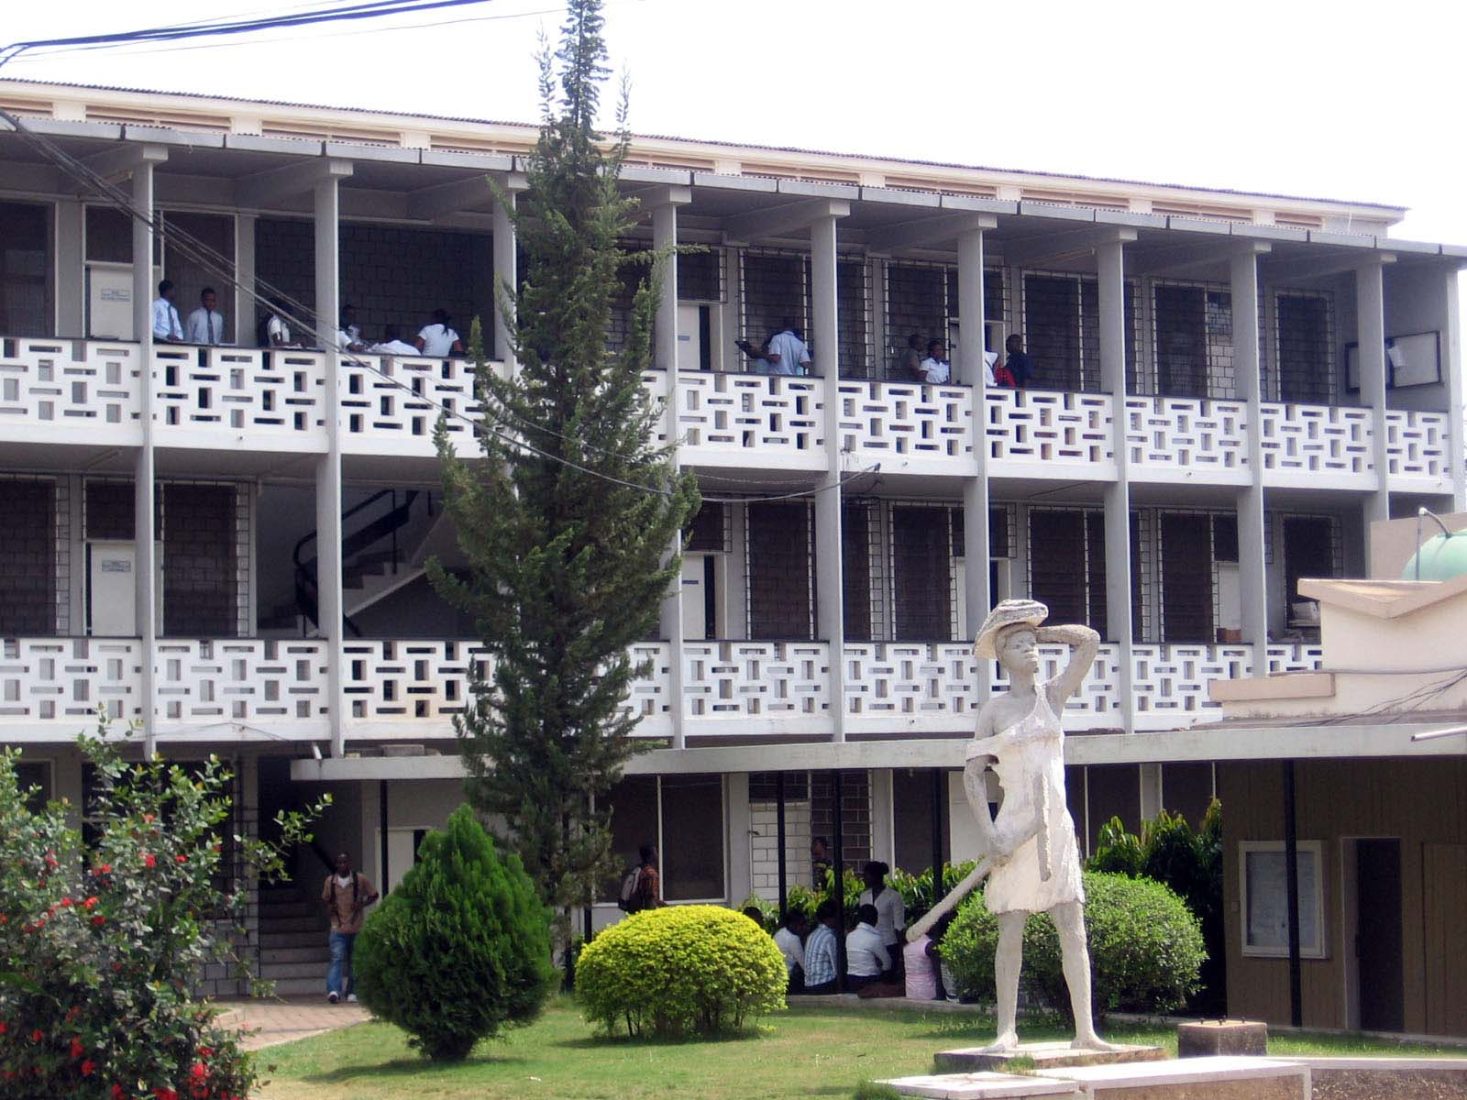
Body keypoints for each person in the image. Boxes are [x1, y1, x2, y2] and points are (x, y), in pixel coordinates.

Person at [966, 598, 1114, 1052]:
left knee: (1072, 925)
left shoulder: (1052, 695)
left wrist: (1034, 629)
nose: (1031, 651)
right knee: (1011, 928)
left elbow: (1088, 642)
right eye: (1019, 646)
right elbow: (972, 774)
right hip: (1014, 828)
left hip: (1056, 826)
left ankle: (1085, 1031)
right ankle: (1006, 1030)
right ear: (1002, 656)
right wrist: (991, 835)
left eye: (1033, 645)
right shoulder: (994, 710)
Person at [321, 851, 378, 1004]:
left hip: (356, 926)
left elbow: (374, 894)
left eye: (344, 862)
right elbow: (326, 900)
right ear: (335, 865)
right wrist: (330, 908)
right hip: (337, 927)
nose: (342, 865)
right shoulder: (330, 881)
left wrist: (363, 904)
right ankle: (334, 990)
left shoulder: (360, 879)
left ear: (349, 863)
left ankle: (352, 991)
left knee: (355, 960)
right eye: (339, 863)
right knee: (336, 958)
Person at [859, 861, 905, 977]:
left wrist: (900, 954)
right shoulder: (864, 896)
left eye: (866, 876)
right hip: (868, 944)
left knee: (887, 977)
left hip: (888, 943)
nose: (863, 879)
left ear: (875, 876)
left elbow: (899, 925)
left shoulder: (893, 896)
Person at [844, 903, 891, 991]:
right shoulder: (875, 938)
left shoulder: (849, 936)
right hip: (870, 980)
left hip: (851, 979)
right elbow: (887, 963)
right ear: (876, 919)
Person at [801, 899, 840, 994]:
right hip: (824, 984)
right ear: (830, 918)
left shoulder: (812, 935)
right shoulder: (829, 937)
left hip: (809, 984)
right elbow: (836, 967)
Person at [772, 910, 808, 994]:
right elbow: (805, 966)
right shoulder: (793, 939)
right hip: (788, 980)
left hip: (777, 977)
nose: (804, 928)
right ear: (793, 924)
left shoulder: (780, 933)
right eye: (801, 924)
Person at [631, 843, 664, 911]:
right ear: (651, 856)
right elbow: (650, 897)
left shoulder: (638, 870)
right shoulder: (650, 874)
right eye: (655, 852)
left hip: (636, 909)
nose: (657, 855)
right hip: (645, 910)